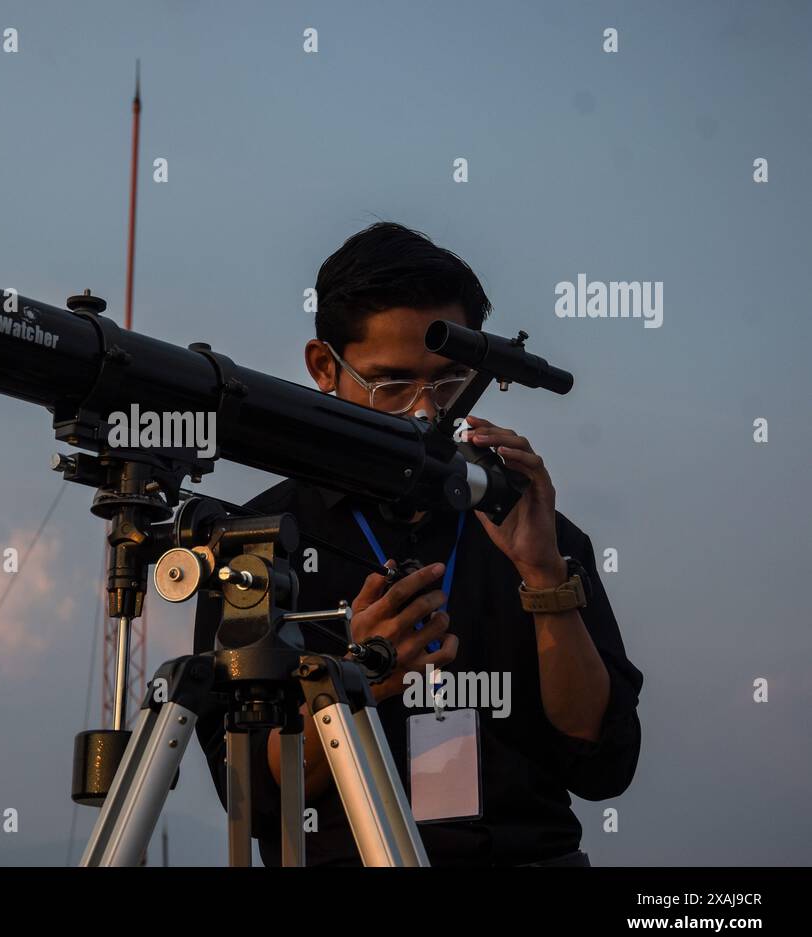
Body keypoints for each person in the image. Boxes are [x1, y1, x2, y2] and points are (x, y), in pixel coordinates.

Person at [192, 223, 643, 867]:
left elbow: (603, 763)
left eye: (451, 382)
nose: (424, 413)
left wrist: (546, 581)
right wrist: (356, 684)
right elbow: (252, 796)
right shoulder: (258, 545)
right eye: (392, 384)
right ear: (324, 367)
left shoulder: (536, 528)